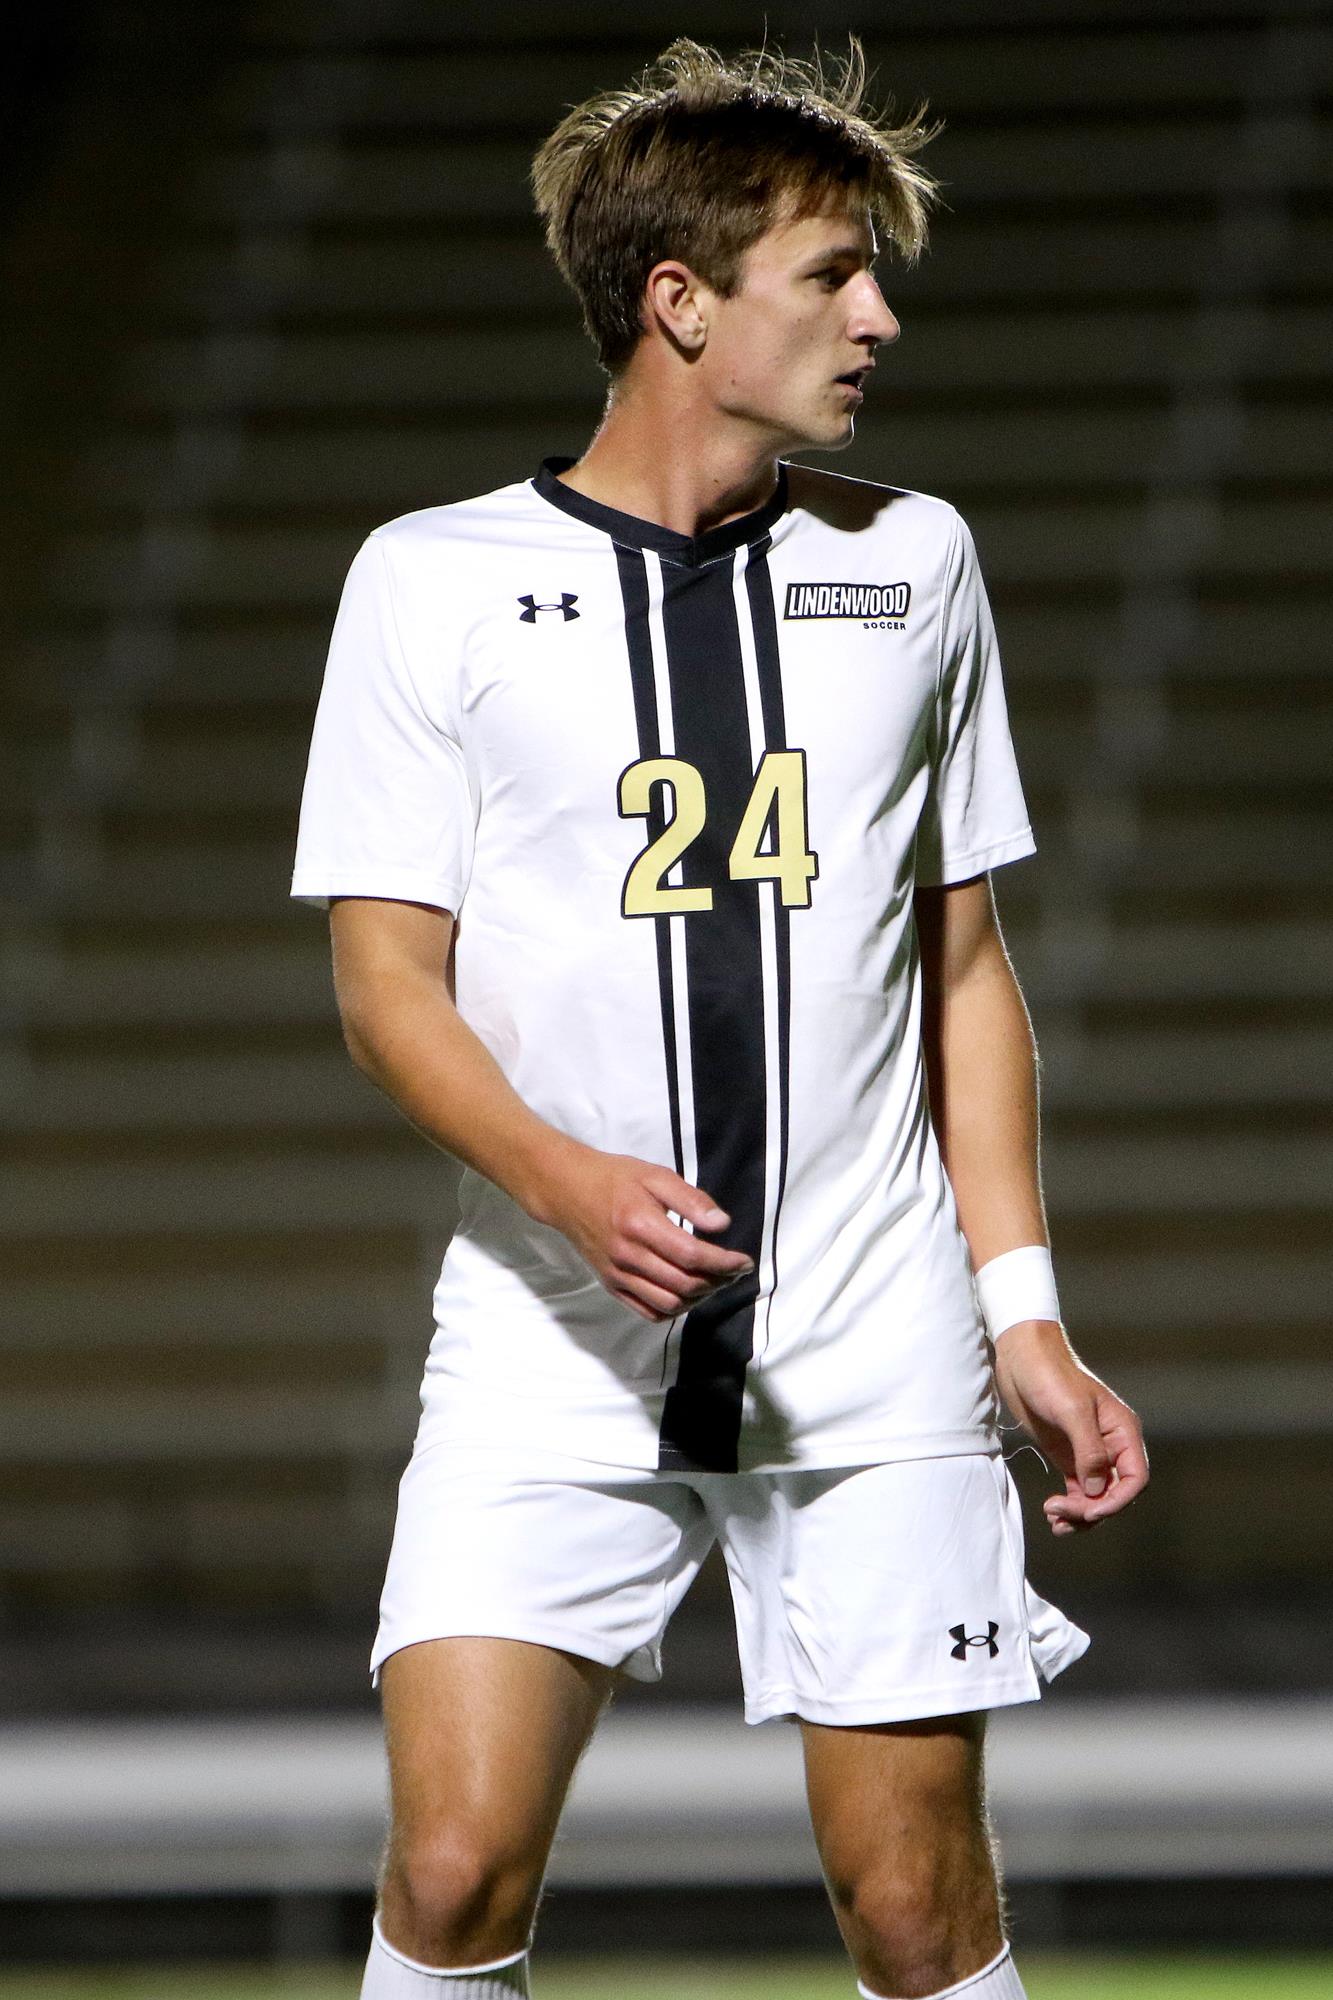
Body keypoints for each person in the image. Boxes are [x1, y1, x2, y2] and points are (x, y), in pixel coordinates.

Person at [290, 37, 1149, 2000]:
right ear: (679, 304)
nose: (881, 314)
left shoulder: (912, 562)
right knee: (447, 1866)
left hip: (870, 1339)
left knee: (920, 1912)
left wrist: (1022, 1314)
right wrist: (564, 1181)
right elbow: (380, 986)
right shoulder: (427, 584)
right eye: (832, 273)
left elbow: (961, 964)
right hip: (546, 1339)